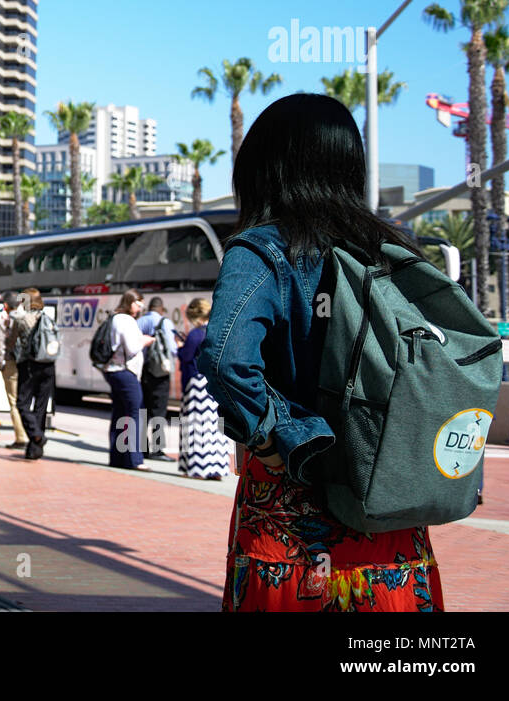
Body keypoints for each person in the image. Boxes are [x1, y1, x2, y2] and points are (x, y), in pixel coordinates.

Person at [198, 92, 443, 612]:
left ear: (266, 167)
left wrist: (274, 435)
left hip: (290, 516)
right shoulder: (391, 248)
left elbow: (224, 354)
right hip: (385, 504)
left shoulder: (263, 249)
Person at [175, 298, 229, 480]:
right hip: (214, 384)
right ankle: (217, 468)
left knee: (195, 426)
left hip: (196, 384)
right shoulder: (218, 331)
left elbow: (187, 357)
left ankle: (197, 468)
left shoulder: (196, 334)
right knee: (216, 427)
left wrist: (179, 348)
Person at [103, 289, 153, 469]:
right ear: (130, 303)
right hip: (126, 372)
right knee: (135, 413)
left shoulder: (114, 318)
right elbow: (132, 348)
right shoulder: (127, 321)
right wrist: (145, 341)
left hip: (113, 370)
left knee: (119, 414)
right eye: (138, 304)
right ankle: (135, 459)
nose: (140, 308)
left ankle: (117, 458)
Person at [12, 288, 58, 460]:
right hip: (48, 365)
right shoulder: (48, 317)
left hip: (29, 365)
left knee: (22, 404)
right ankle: (34, 450)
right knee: (40, 407)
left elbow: (12, 340)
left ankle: (37, 436)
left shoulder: (23, 319)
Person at [137, 296, 177, 460]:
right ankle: (157, 449)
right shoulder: (164, 322)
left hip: (143, 370)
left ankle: (143, 447)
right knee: (159, 411)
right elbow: (172, 348)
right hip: (160, 372)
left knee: (143, 410)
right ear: (161, 308)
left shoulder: (140, 321)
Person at [0, 291, 28, 450]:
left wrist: (1, 363)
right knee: (26, 401)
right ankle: (33, 432)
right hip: (28, 365)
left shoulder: (6, 321)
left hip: (11, 364)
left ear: (6, 306)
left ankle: (21, 437)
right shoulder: (28, 318)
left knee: (14, 401)